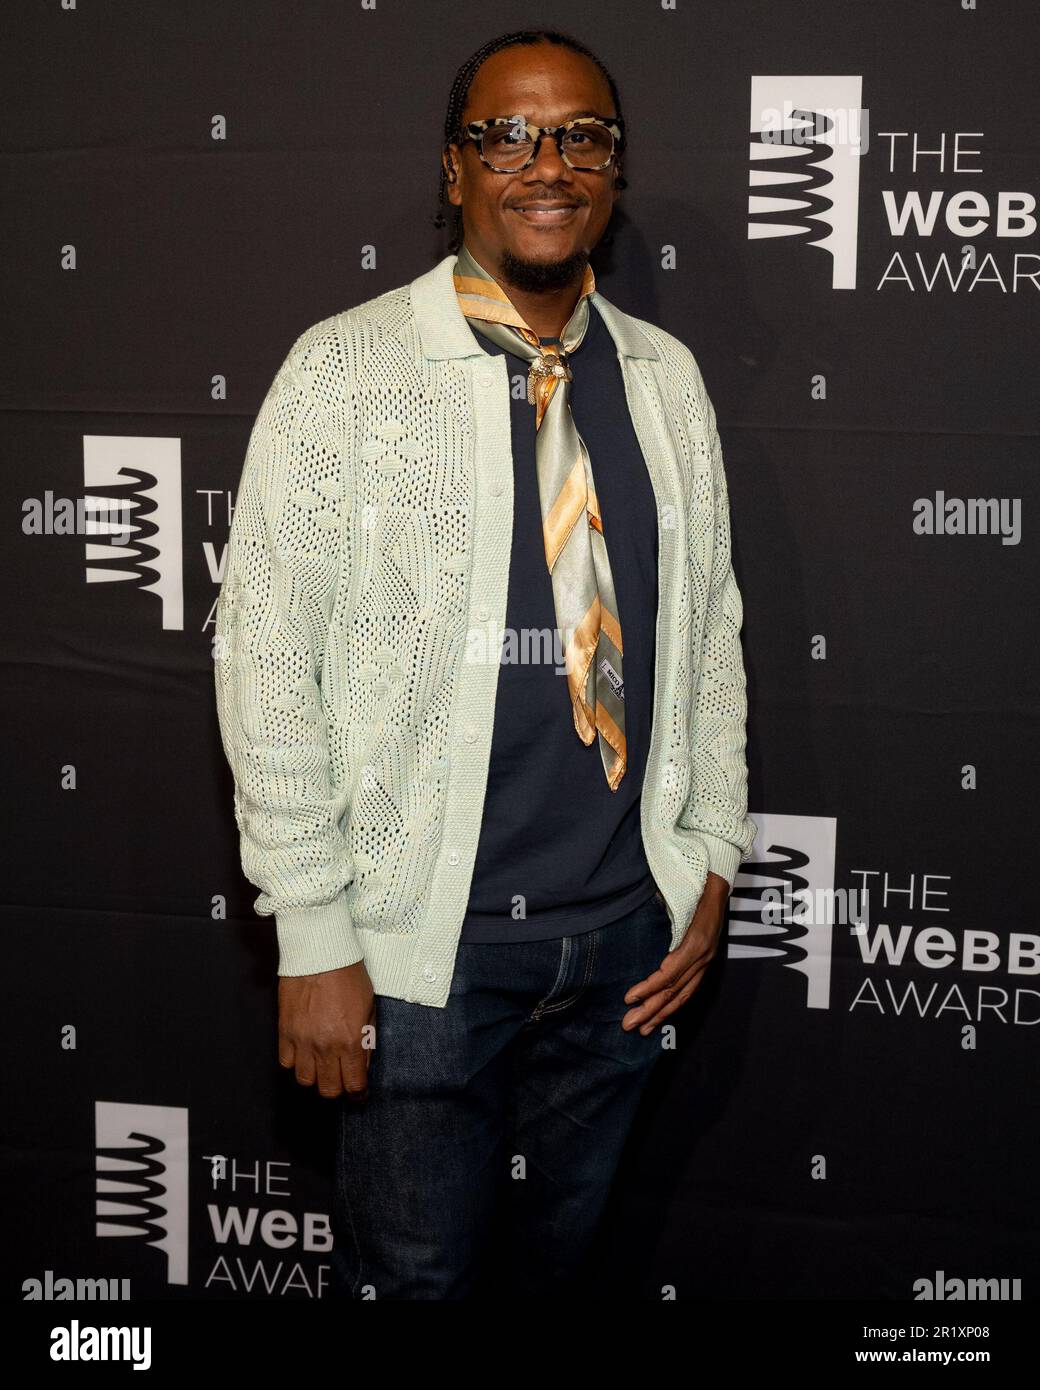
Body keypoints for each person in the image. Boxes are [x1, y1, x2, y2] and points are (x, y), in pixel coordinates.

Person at [213, 27, 757, 1300]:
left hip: (622, 948)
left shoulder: (666, 382)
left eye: (579, 135)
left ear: (613, 172)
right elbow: (265, 655)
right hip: (415, 964)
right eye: (504, 135)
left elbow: (709, 636)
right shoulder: (344, 372)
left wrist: (708, 854)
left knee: (560, 1277)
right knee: (413, 1285)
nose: (543, 163)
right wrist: (313, 934)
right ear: (452, 170)